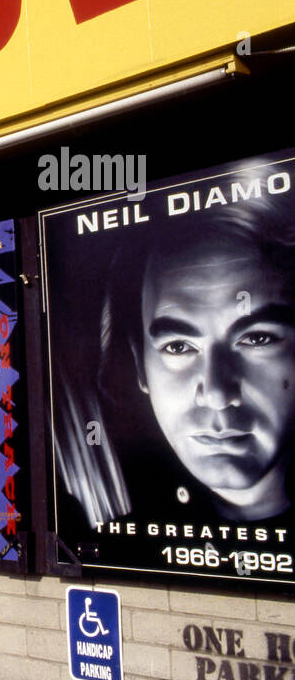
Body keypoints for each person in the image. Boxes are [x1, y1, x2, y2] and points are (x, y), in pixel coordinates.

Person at [100, 194, 295, 522]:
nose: (217, 395)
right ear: (140, 365)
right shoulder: (126, 543)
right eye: (178, 347)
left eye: (257, 338)